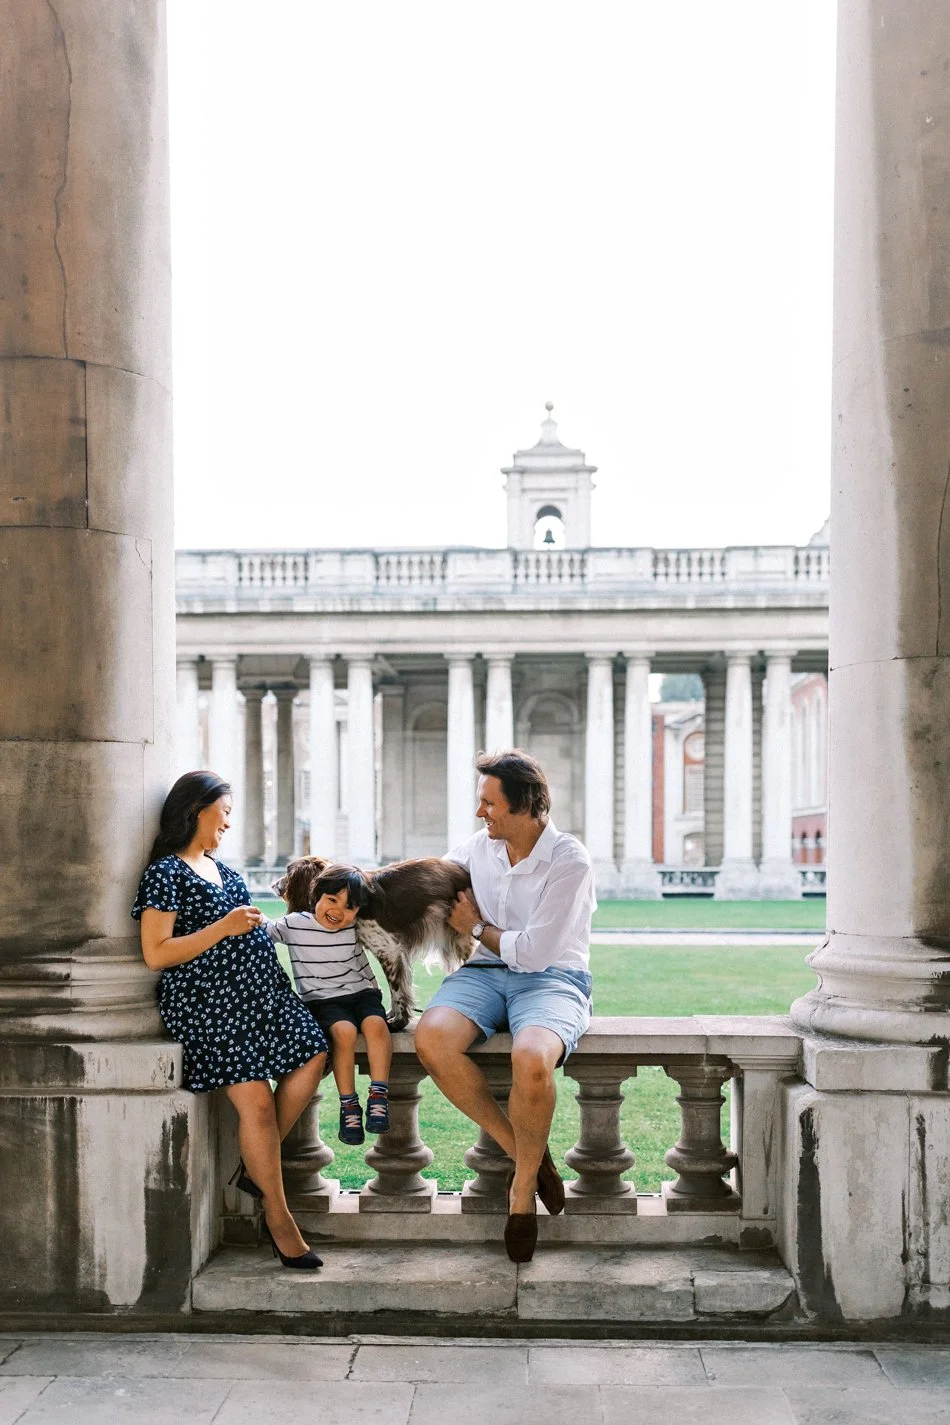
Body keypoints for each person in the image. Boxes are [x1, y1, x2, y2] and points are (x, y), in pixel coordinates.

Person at [132, 771, 327, 1270]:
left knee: (315, 1050)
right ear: (197, 811)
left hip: (257, 997)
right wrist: (225, 927)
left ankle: (252, 1169)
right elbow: (156, 953)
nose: (228, 822)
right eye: (224, 812)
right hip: (206, 1003)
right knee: (257, 1105)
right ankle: (280, 1221)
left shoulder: (224, 869)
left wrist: (250, 934)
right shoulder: (166, 873)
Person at [414, 749, 595, 1264]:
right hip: (482, 974)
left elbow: (536, 952)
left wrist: (474, 927)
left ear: (526, 806)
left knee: (532, 1058)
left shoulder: (569, 860)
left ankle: (520, 1199)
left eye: (489, 804)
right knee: (432, 1039)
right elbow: (430, 885)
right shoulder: (476, 849)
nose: (480, 814)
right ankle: (528, 1160)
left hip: (553, 975)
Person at [268, 863, 392, 1145]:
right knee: (344, 1032)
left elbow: (367, 963)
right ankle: (348, 1104)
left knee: (375, 1024)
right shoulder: (296, 924)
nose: (338, 912)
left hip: (361, 993)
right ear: (317, 896)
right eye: (332, 900)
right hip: (323, 1000)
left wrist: (375, 993)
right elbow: (263, 930)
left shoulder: (353, 929)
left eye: (349, 907)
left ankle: (379, 1095)